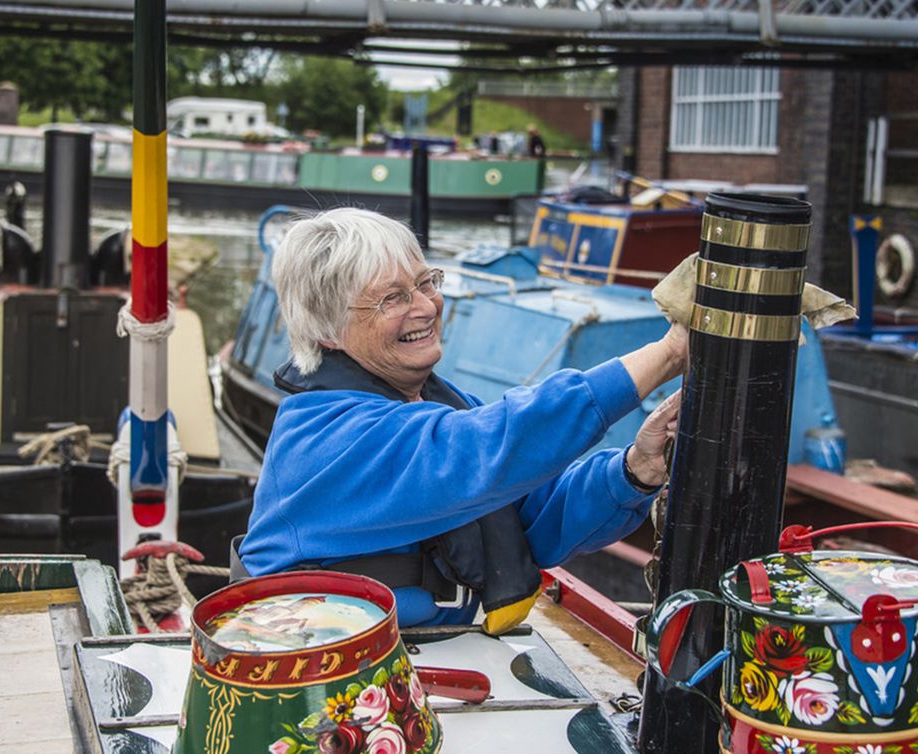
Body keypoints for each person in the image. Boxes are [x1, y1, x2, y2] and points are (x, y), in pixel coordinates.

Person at [236, 208, 685, 630]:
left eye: (425, 282)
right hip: (316, 669)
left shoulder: (437, 402)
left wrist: (636, 469)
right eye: (392, 298)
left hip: (428, 653)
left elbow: (541, 517)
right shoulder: (327, 435)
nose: (426, 306)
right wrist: (666, 355)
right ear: (327, 331)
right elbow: (485, 450)